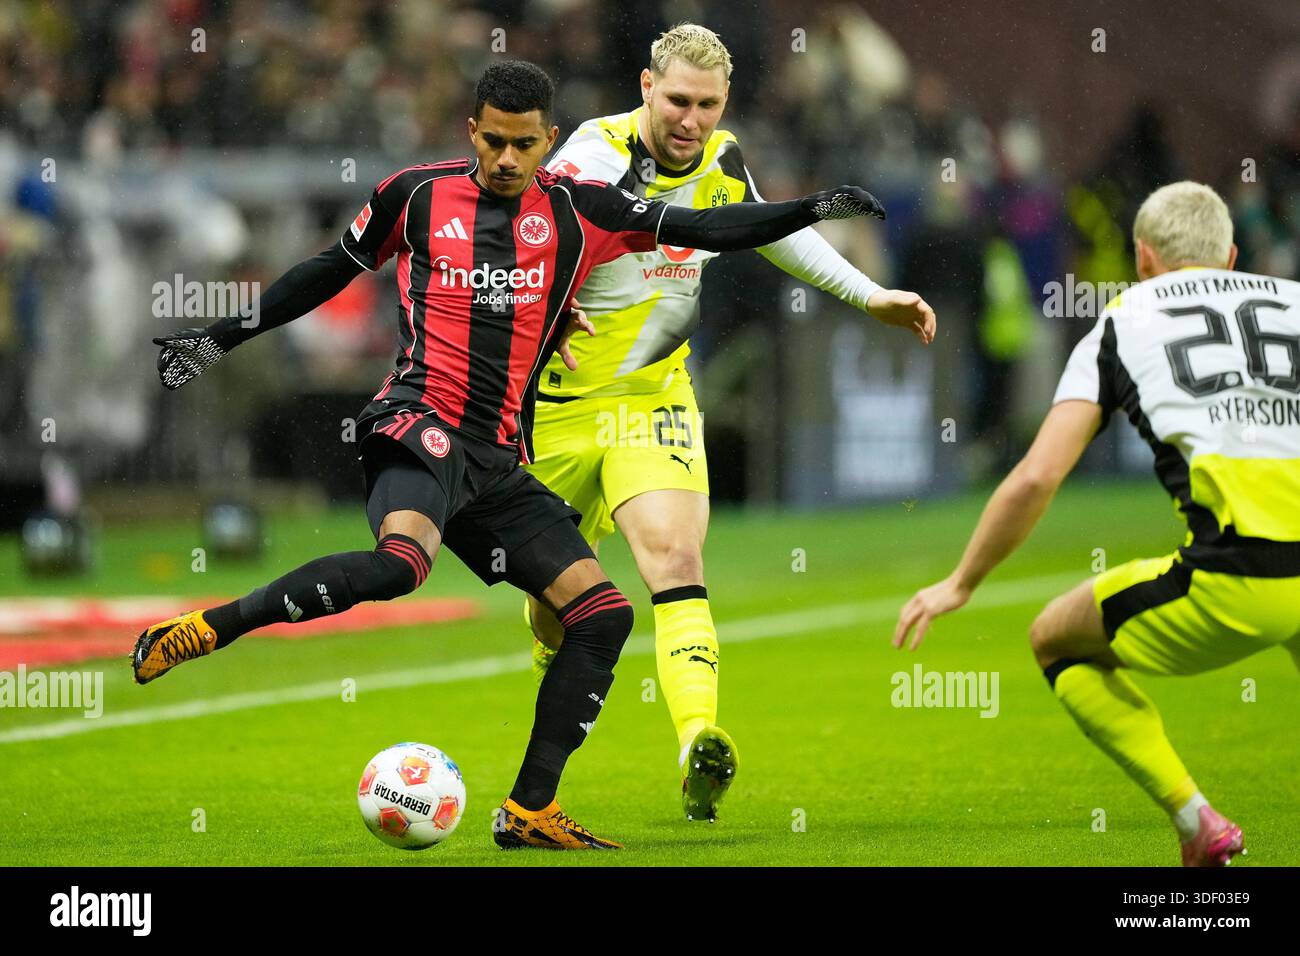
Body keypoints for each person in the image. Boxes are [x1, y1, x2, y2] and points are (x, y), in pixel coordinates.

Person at [133, 59, 890, 851]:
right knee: (401, 566)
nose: (504, 159)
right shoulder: (416, 196)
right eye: (492, 140)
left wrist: (810, 207)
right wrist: (216, 337)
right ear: (472, 131)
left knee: (602, 616)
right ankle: (212, 628)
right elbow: (325, 272)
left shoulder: (582, 214)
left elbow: (708, 227)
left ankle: (529, 809)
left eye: (522, 145)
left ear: (546, 143)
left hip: (497, 459)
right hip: (416, 422)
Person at [525, 23, 936, 822]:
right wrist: (548, 307)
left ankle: (698, 742)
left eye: (708, 104)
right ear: (646, 86)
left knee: (675, 556)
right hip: (555, 410)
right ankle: (547, 635)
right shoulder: (586, 157)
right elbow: (527, 246)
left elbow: (770, 230)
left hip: (654, 399)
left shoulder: (724, 158)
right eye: (677, 99)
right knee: (559, 607)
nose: (691, 119)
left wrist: (869, 294)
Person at [894, 181, 1300, 866]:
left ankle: (1197, 821)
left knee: (1056, 638)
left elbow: (1036, 476)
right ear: (1230, 256)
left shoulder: (1123, 317)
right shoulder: (1292, 301)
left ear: (1142, 258)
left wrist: (963, 581)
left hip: (1240, 580)